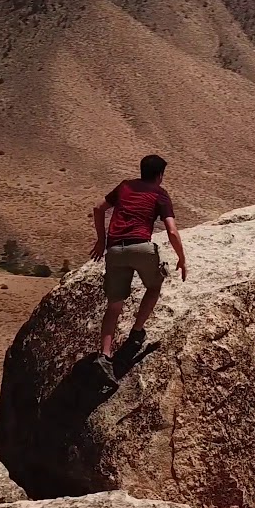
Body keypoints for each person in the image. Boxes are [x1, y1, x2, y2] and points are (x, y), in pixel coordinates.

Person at [90, 154, 187, 383]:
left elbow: (98, 208)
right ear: (160, 175)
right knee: (154, 286)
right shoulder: (159, 194)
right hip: (142, 248)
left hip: (115, 250)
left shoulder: (124, 186)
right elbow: (172, 231)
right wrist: (182, 258)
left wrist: (101, 241)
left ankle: (104, 356)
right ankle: (136, 333)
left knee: (114, 305)